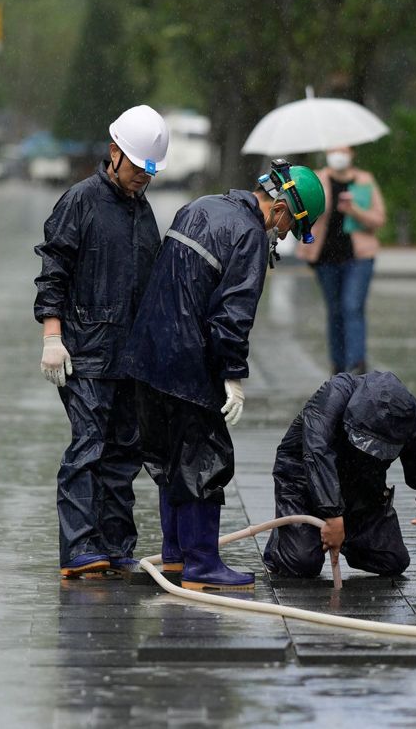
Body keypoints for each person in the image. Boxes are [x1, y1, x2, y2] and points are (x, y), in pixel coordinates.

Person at [123, 160, 326, 591]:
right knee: (204, 460)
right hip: (188, 363)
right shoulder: (249, 235)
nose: (283, 235)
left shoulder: (202, 205)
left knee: (170, 459)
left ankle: (176, 555)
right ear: (281, 209)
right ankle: (201, 564)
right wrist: (232, 375)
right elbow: (232, 316)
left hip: (146, 355)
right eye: (289, 226)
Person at [34, 105, 169, 579]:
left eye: (149, 173)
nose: (141, 180)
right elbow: (54, 273)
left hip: (129, 360)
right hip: (85, 355)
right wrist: (53, 336)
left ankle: (115, 546)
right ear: (114, 153)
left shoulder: (143, 213)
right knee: (87, 449)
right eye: (135, 169)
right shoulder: (80, 202)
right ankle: (78, 549)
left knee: (124, 455)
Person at [262, 371, 416, 579]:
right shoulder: (335, 393)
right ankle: (287, 539)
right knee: (302, 564)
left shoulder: (410, 416)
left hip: (361, 483)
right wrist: (333, 515)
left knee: (392, 560)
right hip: (303, 477)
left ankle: (340, 535)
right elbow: (317, 453)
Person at [299, 146, 388, 374]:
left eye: (343, 150)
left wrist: (355, 210)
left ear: (352, 153)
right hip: (325, 257)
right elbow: (302, 214)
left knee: (352, 307)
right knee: (335, 311)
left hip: (358, 257)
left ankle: (357, 364)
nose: (338, 154)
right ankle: (338, 367)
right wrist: (322, 204)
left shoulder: (364, 180)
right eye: (334, 150)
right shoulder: (316, 179)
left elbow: (379, 219)